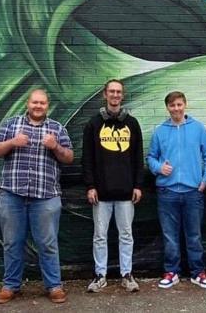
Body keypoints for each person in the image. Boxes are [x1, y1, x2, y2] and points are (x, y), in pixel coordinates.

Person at [0, 89, 74, 304]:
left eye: (42, 103)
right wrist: (12, 143)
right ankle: (10, 286)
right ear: (28, 104)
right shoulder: (10, 124)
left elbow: (69, 157)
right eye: (35, 102)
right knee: (12, 243)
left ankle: (54, 286)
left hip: (46, 196)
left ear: (48, 105)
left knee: (48, 244)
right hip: (12, 194)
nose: (38, 106)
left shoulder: (57, 128)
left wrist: (55, 147)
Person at [147, 90, 206, 289]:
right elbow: (150, 157)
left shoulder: (198, 129)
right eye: (172, 105)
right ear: (167, 108)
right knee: (170, 236)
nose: (176, 108)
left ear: (185, 105)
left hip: (193, 192)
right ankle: (171, 272)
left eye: (179, 104)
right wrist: (159, 168)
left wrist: (204, 181)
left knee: (194, 235)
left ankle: (197, 272)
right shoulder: (160, 131)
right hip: (167, 192)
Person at [82, 78, 144, 293]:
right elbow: (87, 158)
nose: (115, 95)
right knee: (100, 235)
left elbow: (138, 157)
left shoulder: (132, 123)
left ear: (122, 95)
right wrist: (90, 185)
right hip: (101, 193)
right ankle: (101, 275)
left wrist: (138, 185)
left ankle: (127, 274)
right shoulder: (93, 123)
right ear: (105, 94)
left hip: (126, 192)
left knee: (126, 234)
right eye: (112, 91)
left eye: (118, 92)